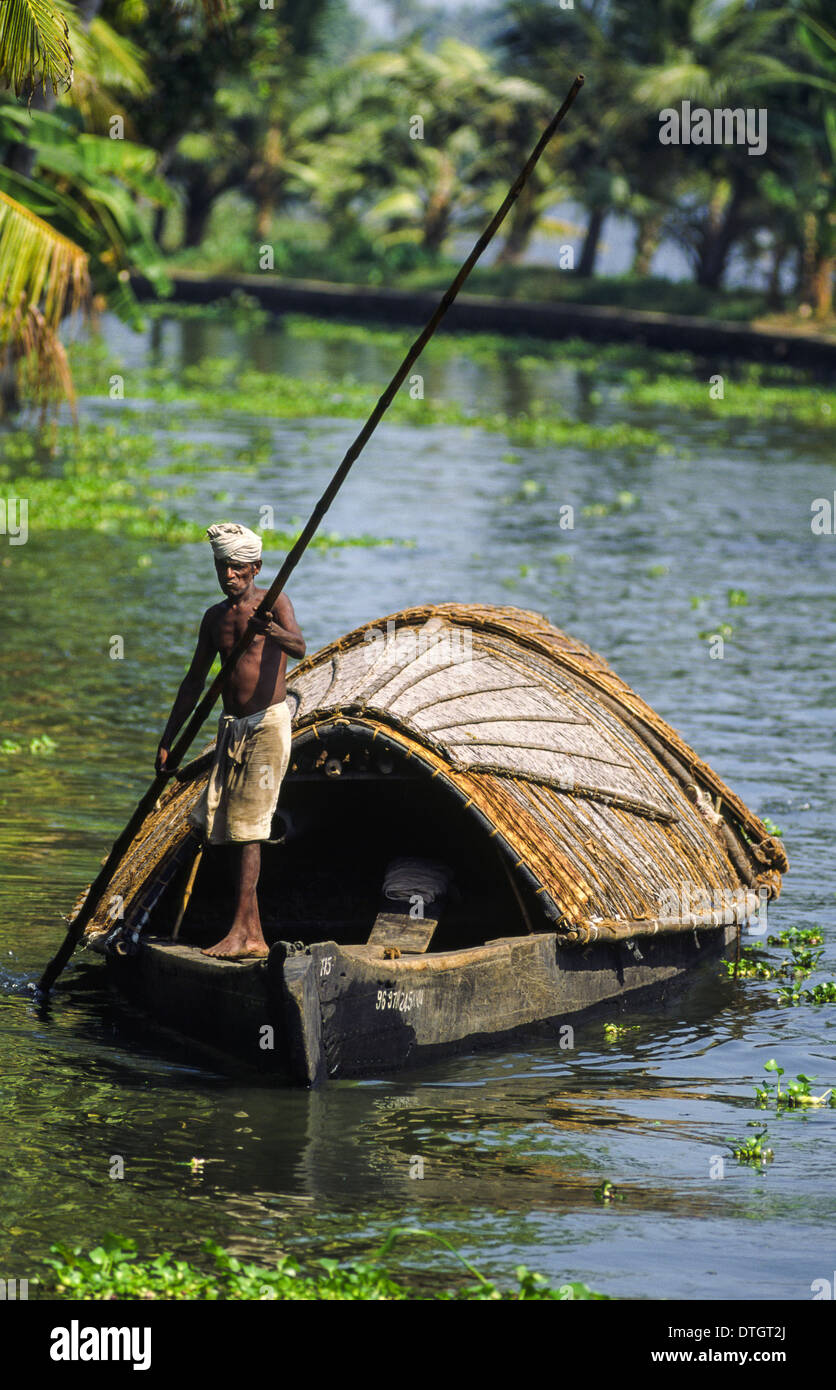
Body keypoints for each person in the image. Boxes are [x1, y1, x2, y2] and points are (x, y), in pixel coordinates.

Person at [156, 522, 305, 959]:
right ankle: (253, 934)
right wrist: (169, 739)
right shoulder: (215, 618)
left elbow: (299, 646)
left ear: (255, 567)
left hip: (267, 724)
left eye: (238, 568)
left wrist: (269, 630)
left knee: (250, 828)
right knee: (225, 826)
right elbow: (194, 682)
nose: (229, 575)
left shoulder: (273, 602)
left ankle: (241, 934)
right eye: (223, 566)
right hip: (232, 728)